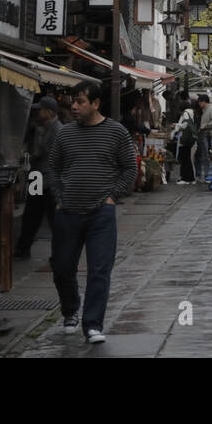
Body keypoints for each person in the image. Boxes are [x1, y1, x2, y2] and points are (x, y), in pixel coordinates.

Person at [46, 82, 138, 344]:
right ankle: (70, 310)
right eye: (73, 101)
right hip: (68, 212)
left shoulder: (116, 132)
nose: (74, 106)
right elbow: (52, 168)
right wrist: (59, 197)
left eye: (81, 101)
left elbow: (130, 168)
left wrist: (112, 197)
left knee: (99, 270)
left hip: (101, 213)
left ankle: (93, 324)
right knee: (62, 267)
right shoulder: (64, 135)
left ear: (96, 104)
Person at [15, 97, 61, 258]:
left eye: (40, 110)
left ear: (49, 112)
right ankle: (23, 247)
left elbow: (43, 152)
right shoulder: (38, 128)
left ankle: (60, 251)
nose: (37, 113)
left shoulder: (57, 130)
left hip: (50, 179)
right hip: (36, 176)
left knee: (54, 217)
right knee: (31, 215)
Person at [173, 98, 198, 184]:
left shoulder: (186, 114)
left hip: (185, 138)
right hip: (190, 139)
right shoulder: (191, 112)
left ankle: (186, 179)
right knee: (187, 158)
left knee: (185, 158)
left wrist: (176, 126)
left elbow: (185, 125)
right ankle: (189, 178)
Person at [195, 93, 212, 182]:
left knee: (211, 155)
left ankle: (211, 174)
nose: (199, 104)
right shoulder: (204, 110)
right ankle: (207, 174)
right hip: (205, 135)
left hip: (211, 135)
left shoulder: (211, 109)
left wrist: (205, 126)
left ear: (204, 102)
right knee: (205, 155)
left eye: (200, 102)